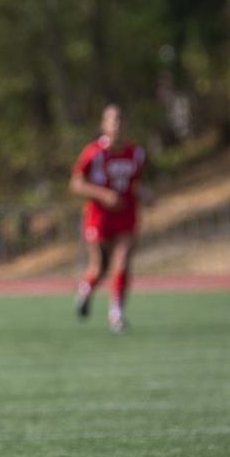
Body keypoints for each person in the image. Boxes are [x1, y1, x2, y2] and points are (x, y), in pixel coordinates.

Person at [69, 103, 148, 332]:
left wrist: (145, 193)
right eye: (113, 120)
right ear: (104, 124)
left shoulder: (136, 153)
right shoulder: (94, 153)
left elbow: (135, 184)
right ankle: (86, 289)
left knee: (122, 261)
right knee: (99, 267)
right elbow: (76, 183)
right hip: (99, 217)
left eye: (121, 120)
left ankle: (116, 313)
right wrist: (103, 195)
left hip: (126, 215)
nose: (117, 125)